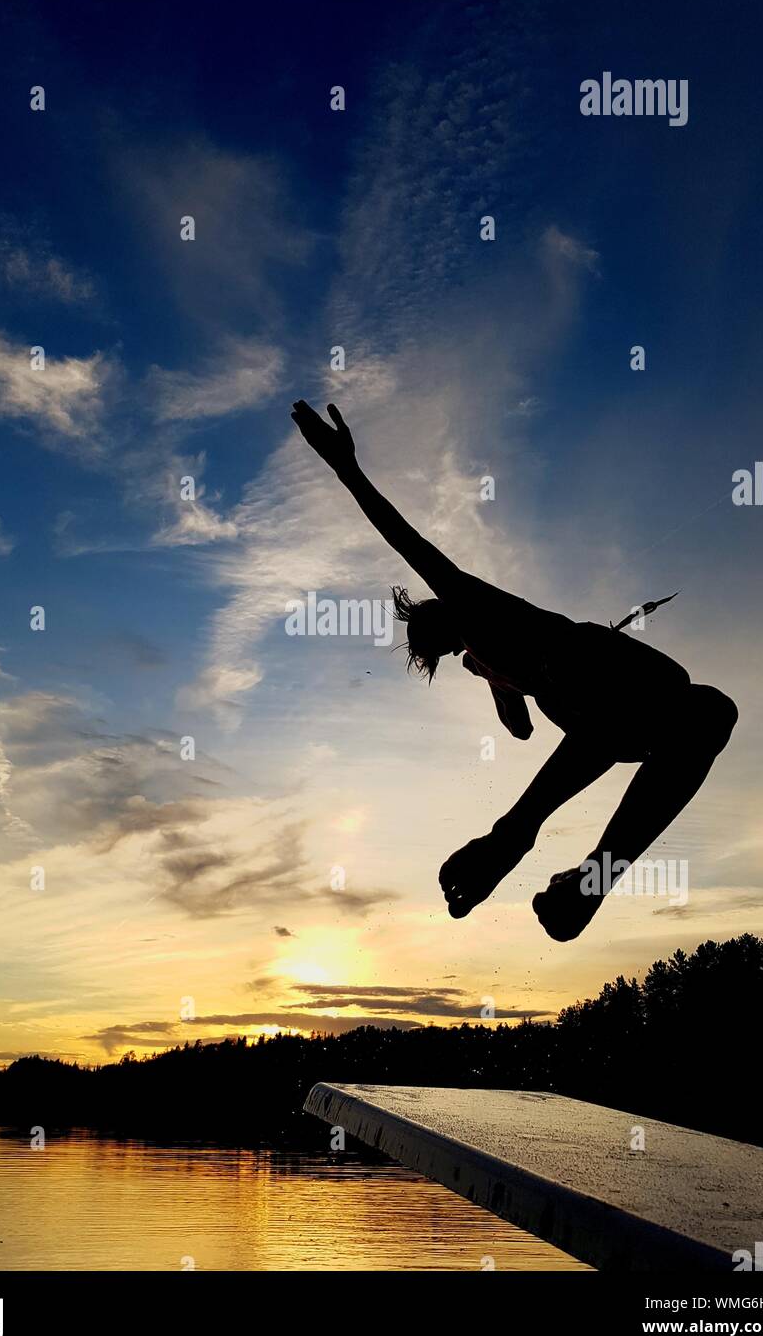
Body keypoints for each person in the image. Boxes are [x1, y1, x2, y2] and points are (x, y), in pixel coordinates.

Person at [290, 399, 738, 941]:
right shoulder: (480, 643)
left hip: (614, 707)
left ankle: (544, 847)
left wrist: (349, 473)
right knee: (709, 709)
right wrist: (348, 470)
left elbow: (520, 728)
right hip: (617, 704)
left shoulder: (474, 626)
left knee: (683, 709)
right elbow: (409, 545)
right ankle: (548, 849)